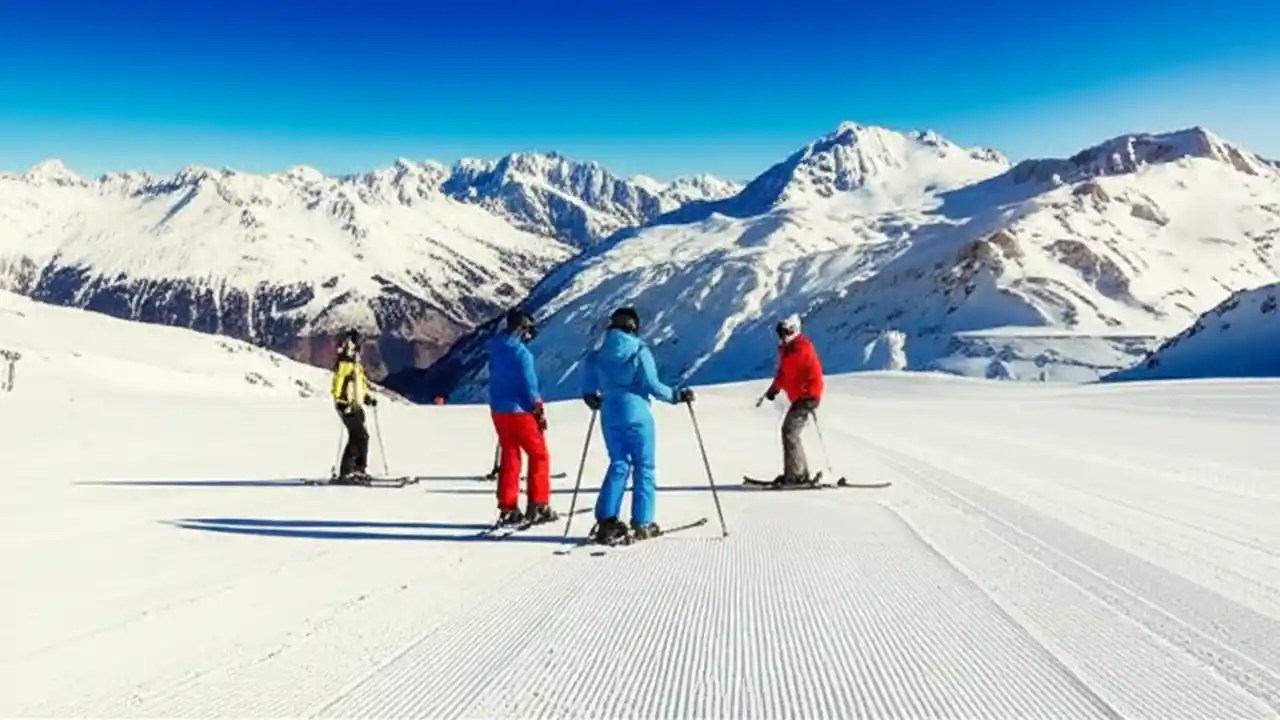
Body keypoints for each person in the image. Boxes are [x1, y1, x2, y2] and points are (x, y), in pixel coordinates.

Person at [581, 306, 695, 544]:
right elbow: (653, 385)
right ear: (633, 327)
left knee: (618, 463)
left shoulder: (597, 355)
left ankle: (606, 520)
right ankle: (642, 522)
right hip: (637, 414)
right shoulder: (639, 351)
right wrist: (676, 396)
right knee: (644, 467)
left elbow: (589, 393)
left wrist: (599, 399)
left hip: (610, 414)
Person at [487, 308, 556, 526]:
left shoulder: (496, 349)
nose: (529, 335)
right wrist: (536, 408)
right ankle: (538, 504)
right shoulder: (522, 354)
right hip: (520, 412)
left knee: (510, 455)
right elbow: (529, 385)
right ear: (521, 329)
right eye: (528, 330)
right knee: (539, 455)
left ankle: (508, 507)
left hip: (499, 410)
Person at [761, 313, 825, 484]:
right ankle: (798, 473)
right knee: (790, 432)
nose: (781, 336)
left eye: (784, 332)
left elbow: (787, 368)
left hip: (808, 395)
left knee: (789, 432)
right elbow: (783, 373)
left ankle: (796, 475)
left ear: (793, 331)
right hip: (801, 396)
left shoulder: (801, 347)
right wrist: (774, 389)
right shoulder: (789, 348)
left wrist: (776, 387)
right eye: (780, 333)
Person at [331, 329, 377, 483]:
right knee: (359, 436)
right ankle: (348, 471)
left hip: (355, 404)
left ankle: (358, 468)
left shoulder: (355, 366)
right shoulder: (345, 364)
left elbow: (358, 386)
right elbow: (338, 384)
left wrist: (366, 398)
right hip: (347, 405)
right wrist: (341, 401)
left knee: (361, 437)